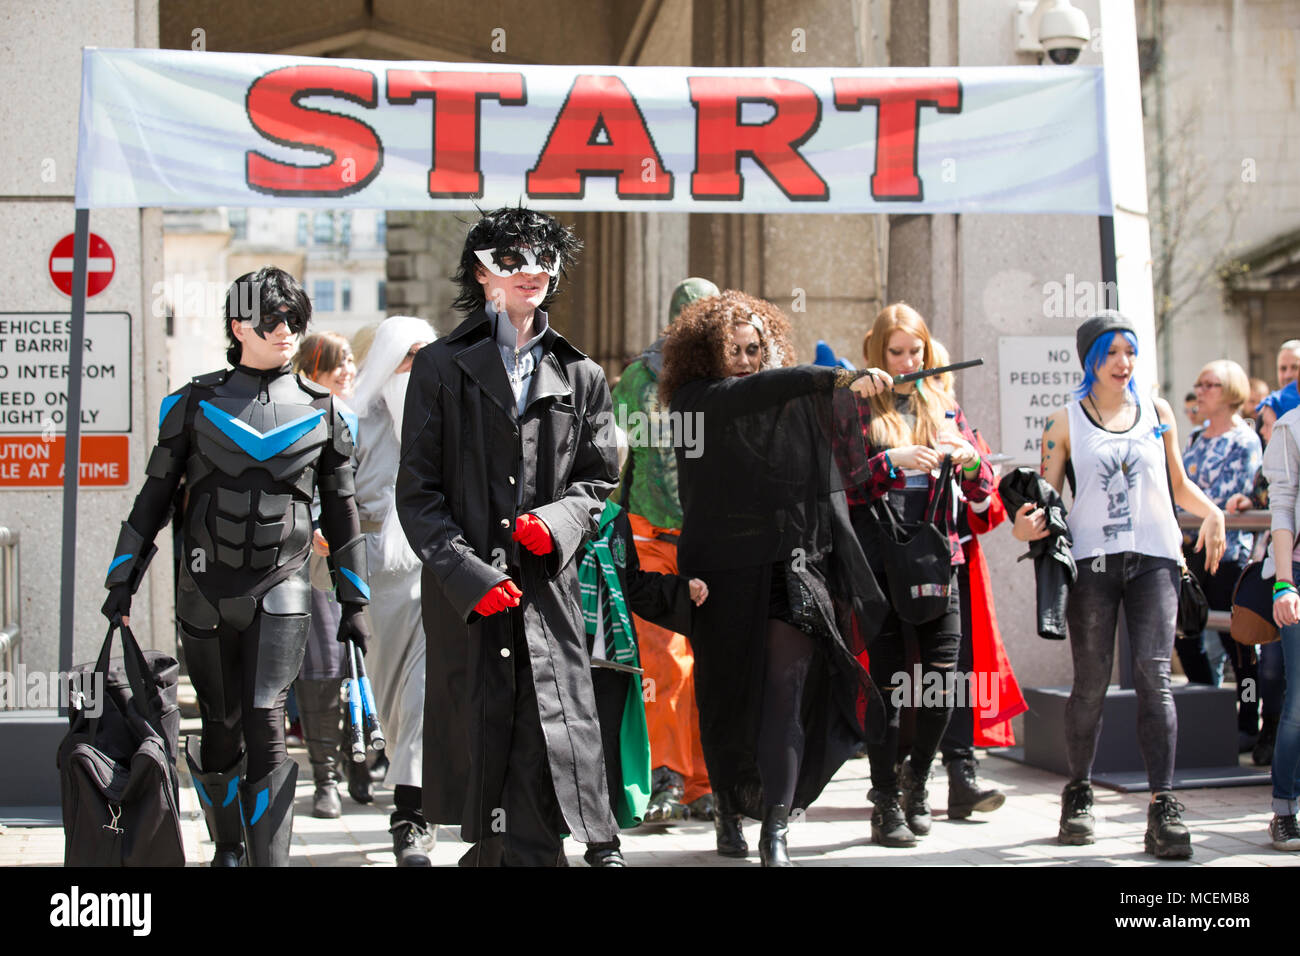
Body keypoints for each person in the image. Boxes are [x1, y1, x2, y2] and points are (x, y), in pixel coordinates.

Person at [102, 267, 370, 866]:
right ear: (237, 325)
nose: (285, 331)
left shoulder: (325, 411)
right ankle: (227, 849)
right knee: (220, 726)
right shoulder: (193, 403)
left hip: (284, 588)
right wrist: (123, 577)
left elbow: (343, 512)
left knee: (266, 720)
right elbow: (153, 499)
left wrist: (356, 602)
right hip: (204, 587)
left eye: (295, 320)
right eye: (272, 319)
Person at [395, 206, 620, 867]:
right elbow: (419, 493)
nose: (533, 273)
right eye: (513, 259)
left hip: (548, 590)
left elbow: (597, 480)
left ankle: (547, 849)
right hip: (470, 600)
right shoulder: (440, 366)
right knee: (482, 738)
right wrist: (467, 574)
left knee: (548, 734)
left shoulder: (582, 373)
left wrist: (553, 524)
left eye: (544, 260)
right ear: (481, 271)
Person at [662, 289, 892, 866]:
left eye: (754, 348)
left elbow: (835, 469)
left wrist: (854, 396)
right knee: (725, 700)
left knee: (787, 693)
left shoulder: (791, 400)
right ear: (706, 355)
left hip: (791, 567)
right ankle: (724, 809)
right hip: (720, 574)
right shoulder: (695, 401)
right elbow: (752, 391)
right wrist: (832, 377)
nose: (744, 358)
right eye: (732, 349)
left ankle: (776, 829)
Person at [1016, 311, 1225, 859]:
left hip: (1155, 558)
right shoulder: (1063, 421)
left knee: (1155, 678)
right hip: (1092, 564)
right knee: (1089, 683)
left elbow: (1179, 485)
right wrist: (1023, 522)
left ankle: (1163, 805)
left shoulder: (1157, 412)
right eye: (1110, 353)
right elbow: (1044, 499)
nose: (1123, 363)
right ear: (1089, 359)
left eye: (1129, 352)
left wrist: (1214, 513)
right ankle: (1079, 793)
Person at [845, 304, 997, 847]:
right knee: (885, 684)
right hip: (880, 562)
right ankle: (884, 798)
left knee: (942, 681)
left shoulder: (944, 405)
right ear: (877, 353)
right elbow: (841, 484)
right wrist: (893, 462)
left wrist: (974, 465)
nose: (910, 361)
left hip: (939, 558)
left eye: (917, 351)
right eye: (897, 352)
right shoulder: (859, 405)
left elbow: (985, 492)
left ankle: (918, 778)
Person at [610, 276, 719, 824]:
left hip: (713, 541)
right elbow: (614, 460)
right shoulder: (639, 379)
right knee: (667, 659)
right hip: (650, 534)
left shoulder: (734, 379)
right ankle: (668, 775)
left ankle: (703, 782)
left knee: (708, 664)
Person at [577, 457, 709, 865]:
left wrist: (678, 590)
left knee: (609, 747)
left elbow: (633, 582)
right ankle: (545, 838)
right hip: (568, 650)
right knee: (568, 749)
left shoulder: (614, 518)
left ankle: (605, 843)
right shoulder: (554, 511)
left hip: (613, 653)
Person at [349, 315, 437, 865]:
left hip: (438, 576)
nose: (417, 369)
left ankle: (412, 814)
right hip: (377, 581)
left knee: (425, 695)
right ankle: (405, 792)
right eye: (408, 358)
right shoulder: (350, 423)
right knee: (394, 705)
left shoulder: (445, 420)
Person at [927, 341, 1026, 819]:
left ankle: (961, 772)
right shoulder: (885, 426)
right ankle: (908, 774)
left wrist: (975, 474)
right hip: (901, 569)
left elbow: (990, 514)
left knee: (962, 672)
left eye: (938, 374)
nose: (933, 381)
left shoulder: (963, 430)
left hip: (958, 570)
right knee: (909, 672)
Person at [289, 331, 373, 819]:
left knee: (364, 662)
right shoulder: (298, 417)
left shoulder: (368, 418)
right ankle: (326, 778)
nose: (346, 371)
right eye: (333, 364)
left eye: (348, 363)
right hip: (309, 559)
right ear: (311, 370)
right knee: (322, 667)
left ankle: (362, 758)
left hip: (360, 557)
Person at [1173, 360, 1262, 750]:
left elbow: (1236, 493)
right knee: (1186, 632)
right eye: (1199, 383)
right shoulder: (1194, 438)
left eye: (1210, 384)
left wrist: (1205, 512)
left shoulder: (1245, 440)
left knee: (1239, 643)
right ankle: (1206, 702)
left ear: (1230, 392)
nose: (1201, 391)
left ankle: (1247, 720)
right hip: (1191, 551)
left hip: (1229, 553)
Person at [1259, 407, 1300, 850]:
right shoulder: (1291, 426)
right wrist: (1284, 582)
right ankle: (1285, 808)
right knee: (1299, 700)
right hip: (1299, 577)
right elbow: (1283, 506)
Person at [1255, 339, 1300, 444]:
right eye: (1283, 369)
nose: (1288, 375)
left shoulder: (1271, 404)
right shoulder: (1269, 409)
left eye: (1295, 367)